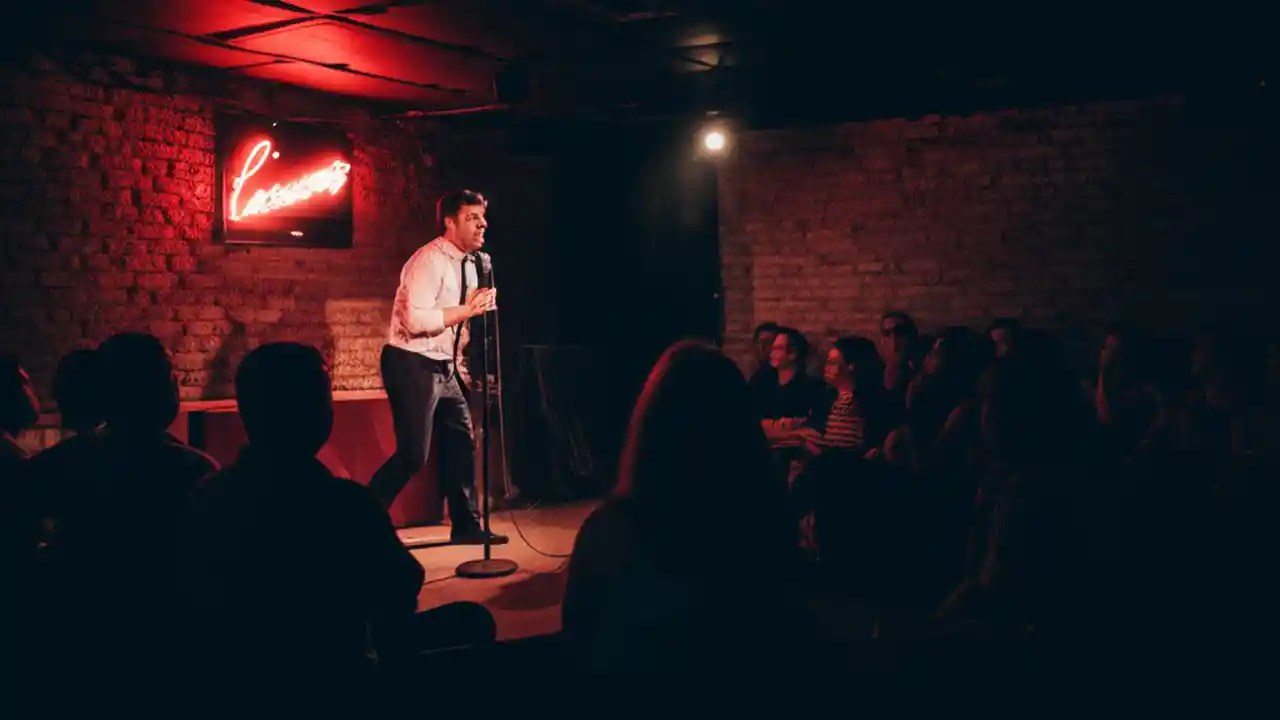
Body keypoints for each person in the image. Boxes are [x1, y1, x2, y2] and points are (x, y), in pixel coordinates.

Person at [369, 189, 506, 545]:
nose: (482, 224)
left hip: (444, 364)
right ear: (450, 222)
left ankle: (466, 525)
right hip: (412, 360)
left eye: (482, 217)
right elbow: (415, 320)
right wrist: (467, 310)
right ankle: (363, 519)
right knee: (413, 454)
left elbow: (458, 330)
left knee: (462, 442)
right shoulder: (428, 260)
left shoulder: (473, 266)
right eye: (472, 217)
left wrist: (463, 365)